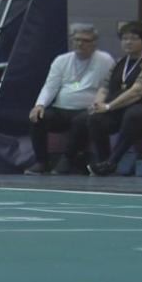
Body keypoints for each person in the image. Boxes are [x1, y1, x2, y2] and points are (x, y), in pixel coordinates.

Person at [69, 21, 142, 176]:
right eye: (124, 39)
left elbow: (138, 91)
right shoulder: (120, 62)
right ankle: (103, 162)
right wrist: (98, 104)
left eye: (133, 38)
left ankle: (113, 161)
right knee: (94, 119)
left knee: (134, 114)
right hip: (123, 105)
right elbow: (105, 87)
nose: (128, 42)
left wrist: (109, 107)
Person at [25, 24, 115, 175]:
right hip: (61, 109)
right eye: (77, 40)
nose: (80, 44)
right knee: (38, 117)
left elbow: (107, 87)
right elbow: (50, 86)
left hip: (87, 110)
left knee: (81, 120)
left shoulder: (105, 60)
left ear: (94, 43)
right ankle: (41, 162)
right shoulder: (61, 60)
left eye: (85, 40)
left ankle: (67, 159)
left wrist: (99, 104)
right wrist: (39, 105)